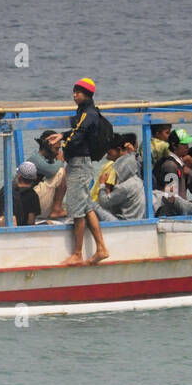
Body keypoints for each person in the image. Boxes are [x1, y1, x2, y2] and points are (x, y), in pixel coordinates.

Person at [60, 77, 110, 266]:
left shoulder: (88, 113)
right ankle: (101, 248)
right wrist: (63, 135)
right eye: (74, 91)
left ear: (87, 94)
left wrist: (63, 144)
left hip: (79, 164)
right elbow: (77, 130)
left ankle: (77, 253)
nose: (74, 95)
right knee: (87, 206)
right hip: (82, 163)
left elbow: (78, 133)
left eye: (78, 92)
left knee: (77, 210)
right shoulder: (86, 111)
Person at [0, 161, 42, 226]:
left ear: (19, 176)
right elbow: (31, 221)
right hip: (23, 229)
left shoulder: (5, 190)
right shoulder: (33, 195)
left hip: (4, 227)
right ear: (34, 178)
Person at [32, 130, 67, 218]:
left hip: (35, 201)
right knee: (61, 172)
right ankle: (56, 210)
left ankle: (56, 208)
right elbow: (51, 171)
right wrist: (60, 161)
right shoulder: (35, 159)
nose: (58, 152)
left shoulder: (48, 160)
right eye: (56, 149)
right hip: (32, 201)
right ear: (47, 147)